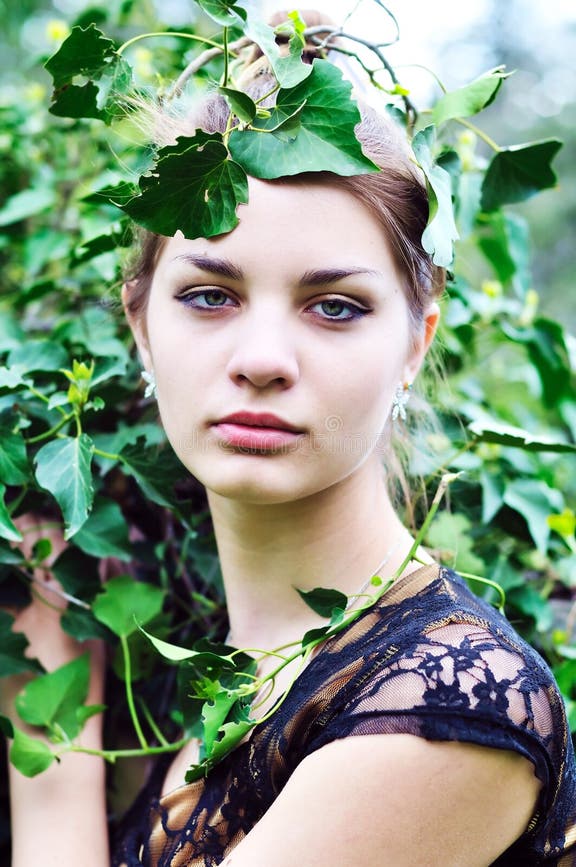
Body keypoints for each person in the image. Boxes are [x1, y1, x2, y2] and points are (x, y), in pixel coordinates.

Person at [4, 10, 576, 867]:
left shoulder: (450, 705)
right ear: (141, 327)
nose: (263, 359)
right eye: (209, 295)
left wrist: (47, 744)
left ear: (417, 342)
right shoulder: (181, 658)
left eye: (334, 306)